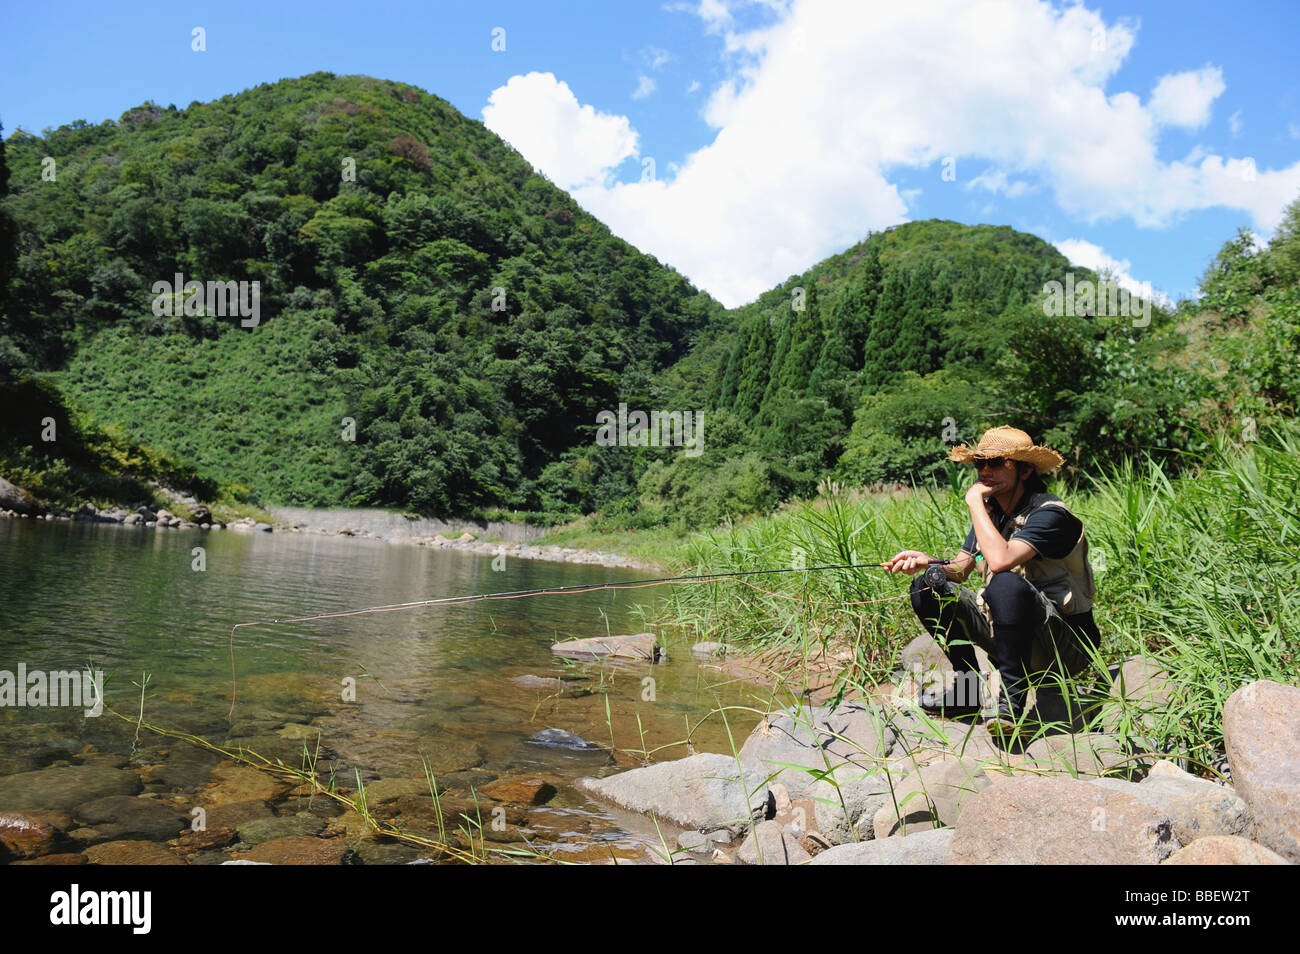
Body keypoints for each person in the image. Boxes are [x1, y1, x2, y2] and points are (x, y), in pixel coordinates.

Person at [884, 426, 1102, 736]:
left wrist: (973, 502)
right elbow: (961, 568)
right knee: (928, 585)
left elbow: (999, 561)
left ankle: (1010, 703)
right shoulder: (993, 512)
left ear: (1025, 470)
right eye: (980, 464)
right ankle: (969, 690)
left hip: (1065, 646)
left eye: (997, 462)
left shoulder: (1052, 516)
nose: (985, 471)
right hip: (1015, 634)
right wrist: (927, 562)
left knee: (1004, 582)